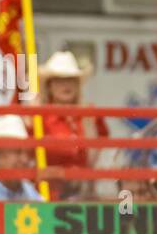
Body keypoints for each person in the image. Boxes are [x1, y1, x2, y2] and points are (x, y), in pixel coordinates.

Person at [38, 50, 109, 200]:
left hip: (85, 193)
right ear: (49, 86)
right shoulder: (39, 117)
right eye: (60, 80)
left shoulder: (90, 115)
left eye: (71, 80)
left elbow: (104, 152)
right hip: (48, 195)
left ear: (78, 85)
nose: (66, 85)